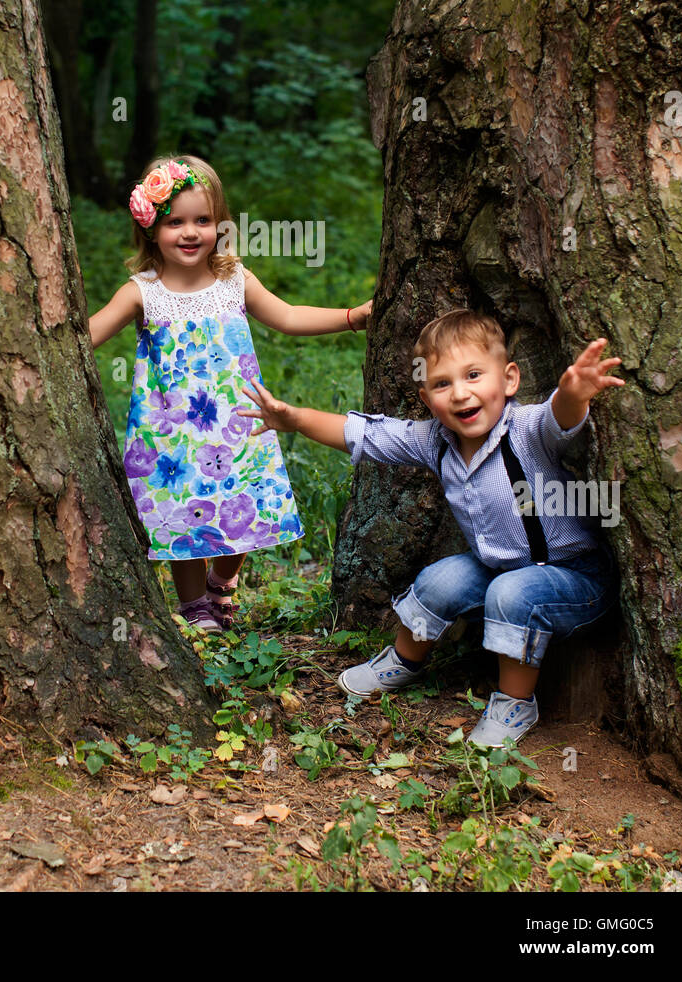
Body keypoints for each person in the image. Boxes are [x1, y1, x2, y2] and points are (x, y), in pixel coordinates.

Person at [239, 308, 623, 746]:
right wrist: (292, 419)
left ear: (509, 380)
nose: (460, 394)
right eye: (443, 384)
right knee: (440, 580)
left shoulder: (527, 430)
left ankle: (515, 702)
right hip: (501, 568)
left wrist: (574, 393)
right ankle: (404, 660)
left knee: (510, 593)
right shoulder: (434, 442)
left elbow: (562, 415)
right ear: (427, 399)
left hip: (575, 578)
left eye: (474, 375)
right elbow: (362, 434)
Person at [88, 154, 372, 633]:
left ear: (220, 225)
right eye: (175, 221)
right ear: (151, 226)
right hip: (173, 435)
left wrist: (350, 317)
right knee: (184, 515)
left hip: (238, 423)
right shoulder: (142, 291)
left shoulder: (233, 280)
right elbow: (85, 336)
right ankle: (195, 604)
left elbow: (288, 316)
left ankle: (223, 582)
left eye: (203, 220)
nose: (190, 232)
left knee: (241, 507)